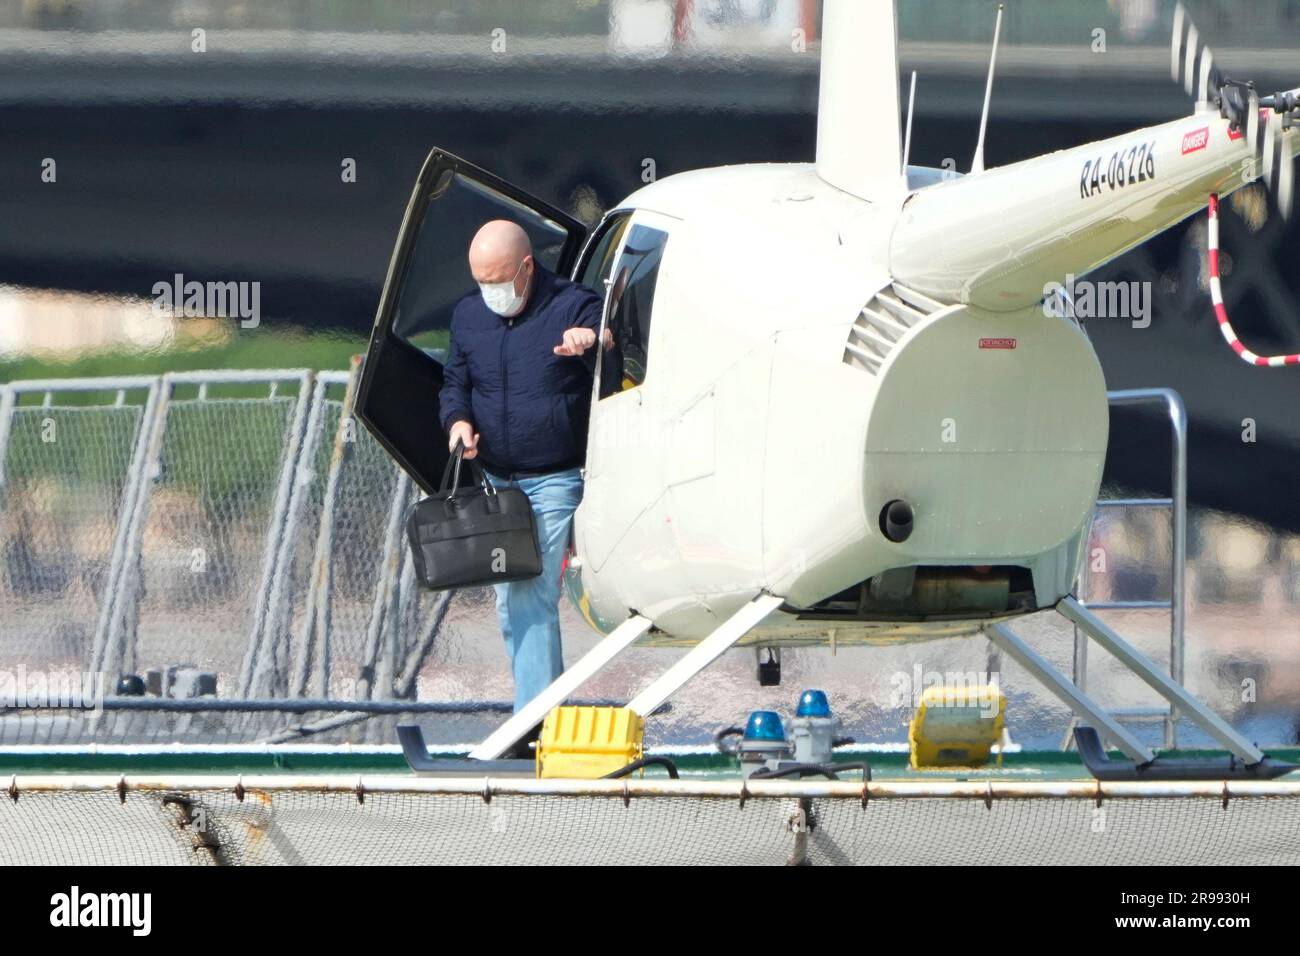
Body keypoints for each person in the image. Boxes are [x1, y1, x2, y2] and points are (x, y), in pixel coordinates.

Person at [438, 219, 610, 757]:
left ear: (527, 268)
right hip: (496, 483)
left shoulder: (569, 304)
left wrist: (592, 340)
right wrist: (458, 422)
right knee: (511, 603)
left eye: (499, 280)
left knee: (531, 590)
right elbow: (455, 382)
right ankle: (542, 716)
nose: (491, 293)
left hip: (555, 478)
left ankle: (529, 724)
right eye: (481, 281)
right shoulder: (469, 316)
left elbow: (610, 335)